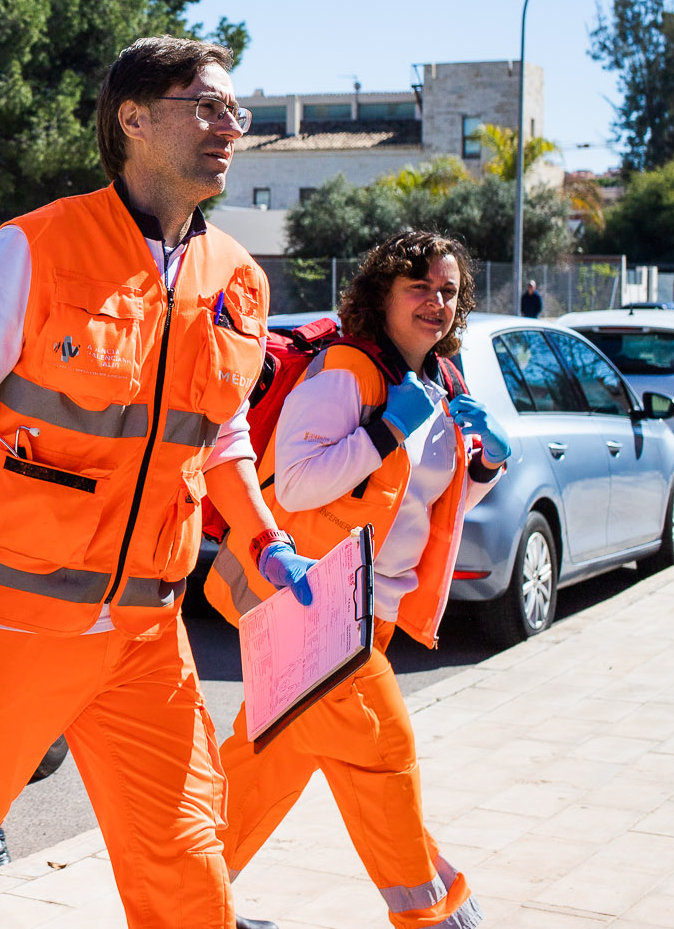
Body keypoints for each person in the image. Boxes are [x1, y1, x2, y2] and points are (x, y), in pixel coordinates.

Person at [0, 36, 315, 929]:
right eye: (205, 106)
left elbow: (221, 432)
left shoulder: (238, 281)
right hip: (10, 625)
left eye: (233, 111)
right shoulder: (35, 248)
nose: (228, 128)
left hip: (146, 635)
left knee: (185, 854)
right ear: (133, 119)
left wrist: (263, 532)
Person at [204, 230, 505, 929]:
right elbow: (302, 481)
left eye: (449, 290)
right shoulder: (345, 370)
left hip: (379, 610)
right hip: (314, 600)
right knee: (385, 750)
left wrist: (485, 468)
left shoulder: (442, 379)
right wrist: (384, 434)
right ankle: (436, 914)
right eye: (419, 288)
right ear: (382, 294)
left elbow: (427, 504)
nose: (437, 302)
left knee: (265, 764)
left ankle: (189, 898)